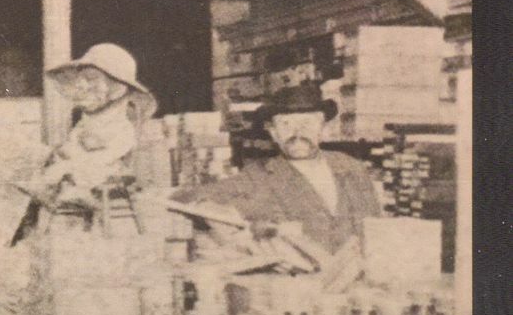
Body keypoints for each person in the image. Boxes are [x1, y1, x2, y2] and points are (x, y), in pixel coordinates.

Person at [179, 83, 380, 254]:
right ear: (273, 133)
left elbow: (377, 228)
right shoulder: (259, 177)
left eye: (307, 123)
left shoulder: (351, 168)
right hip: (300, 288)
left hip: (358, 285)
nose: (297, 132)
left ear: (323, 129)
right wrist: (216, 215)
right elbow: (185, 198)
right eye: (286, 124)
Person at [35, 42, 154, 206]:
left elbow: (115, 151)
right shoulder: (85, 122)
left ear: (116, 88)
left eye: (91, 78)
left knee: (83, 171)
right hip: (79, 164)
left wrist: (81, 161)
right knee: (55, 165)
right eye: (81, 78)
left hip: (106, 169)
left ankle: (79, 194)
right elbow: (73, 143)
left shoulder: (122, 127)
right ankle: (53, 190)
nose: (82, 85)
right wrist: (66, 152)